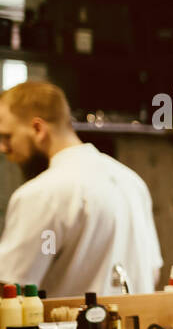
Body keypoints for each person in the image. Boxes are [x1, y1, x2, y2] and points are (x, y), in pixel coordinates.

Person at [0, 81, 162, 297]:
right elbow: (153, 271)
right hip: (137, 326)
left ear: (38, 129)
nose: (3, 148)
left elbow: (11, 288)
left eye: (7, 136)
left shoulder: (41, 194)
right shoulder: (131, 181)